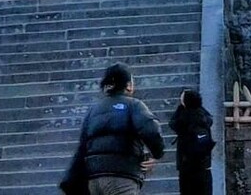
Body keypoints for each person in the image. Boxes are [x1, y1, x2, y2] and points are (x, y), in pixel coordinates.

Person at [70, 64, 165, 195]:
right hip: (121, 176)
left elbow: (83, 146)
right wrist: (156, 154)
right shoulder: (134, 105)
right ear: (128, 85)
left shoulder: (93, 110)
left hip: (94, 179)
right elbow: (151, 130)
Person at [168, 89, 214, 195]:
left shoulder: (183, 117)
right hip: (204, 164)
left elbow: (173, 124)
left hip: (187, 165)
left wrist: (181, 108)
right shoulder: (203, 116)